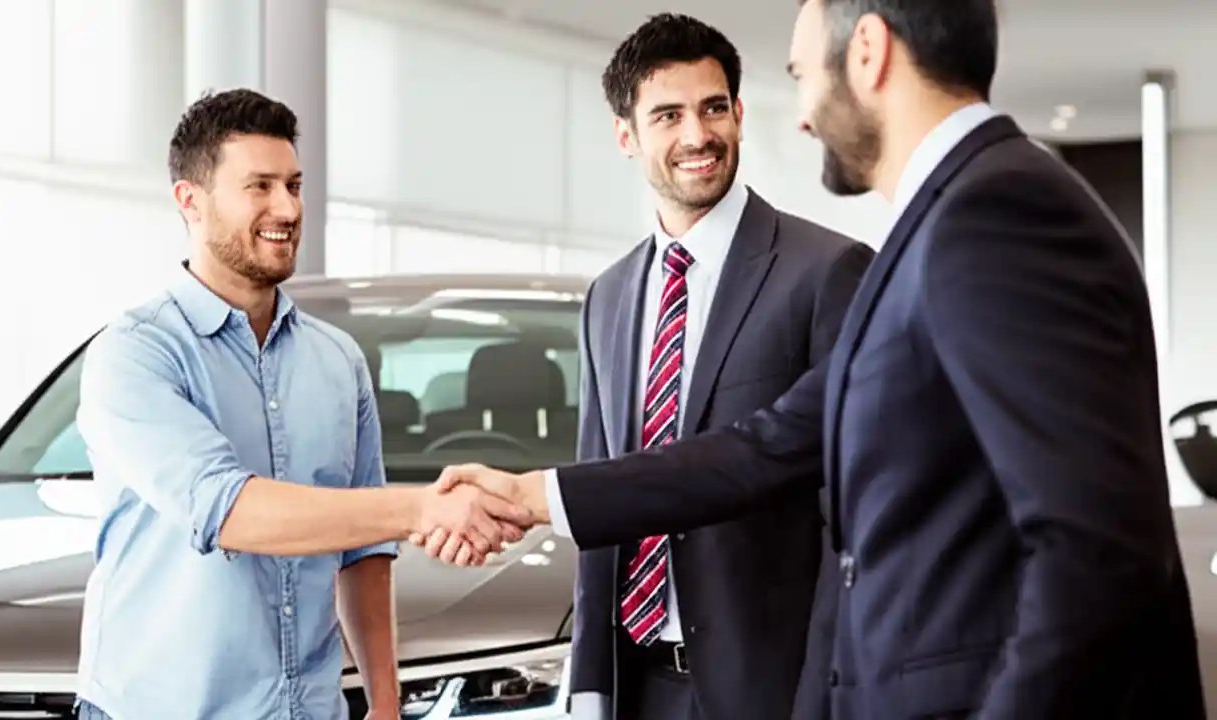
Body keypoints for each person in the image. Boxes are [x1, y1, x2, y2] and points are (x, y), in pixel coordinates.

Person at [419, 1, 1208, 717]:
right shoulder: (944, 223)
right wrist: (535, 493)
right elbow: (767, 447)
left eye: (801, 75)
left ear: (867, 52)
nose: (798, 117)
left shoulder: (998, 213)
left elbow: (1097, 553)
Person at [72, 89, 528, 720]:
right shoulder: (135, 354)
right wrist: (425, 506)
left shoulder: (336, 360)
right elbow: (229, 510)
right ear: (190, 202)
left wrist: (385, 702)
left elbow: (364, 553)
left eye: (294, 183)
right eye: (258, 186)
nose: (286, 207)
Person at [563, 13, 871, 720]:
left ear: (738, 113)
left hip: (770, 688)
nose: (697, 136)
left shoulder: (827, 273)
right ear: (626, 137)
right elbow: (600, 493)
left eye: (712, 108)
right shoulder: (607, 297)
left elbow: (851, 514)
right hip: (638, 681)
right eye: (667, 115)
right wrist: (591, 684)